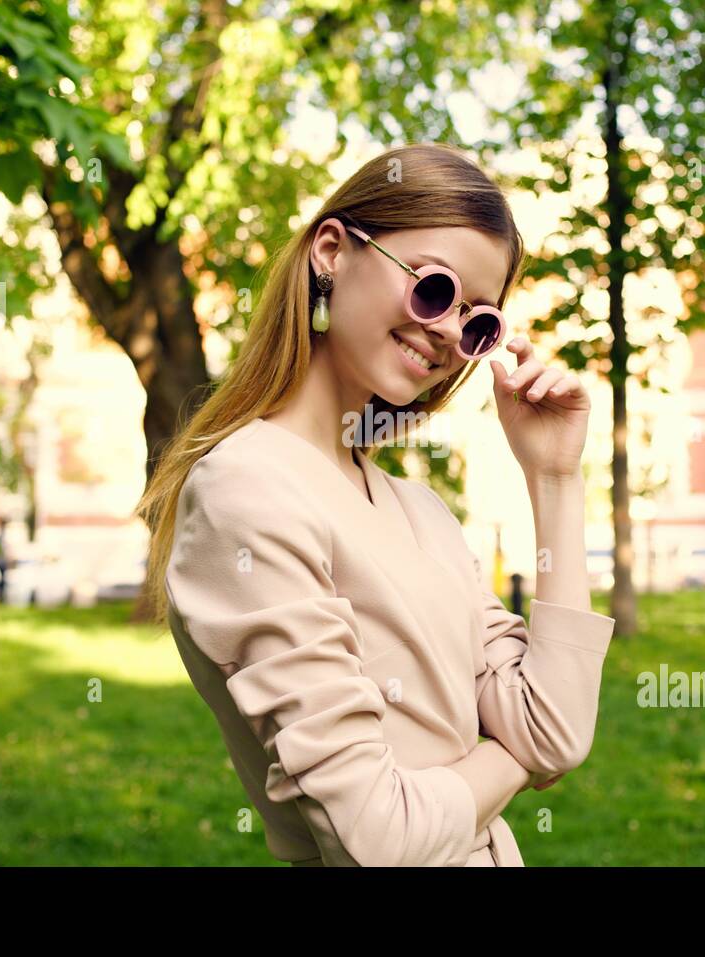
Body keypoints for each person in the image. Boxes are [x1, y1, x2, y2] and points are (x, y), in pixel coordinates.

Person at [137, 143, 616, 867]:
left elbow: (556, 723)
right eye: (434, 289)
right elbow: (377, 838)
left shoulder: (421, 511)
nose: (449, 334)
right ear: (332, 250)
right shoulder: (246, 487)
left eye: (478, 322)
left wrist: (554, 478)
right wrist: (517, 759)